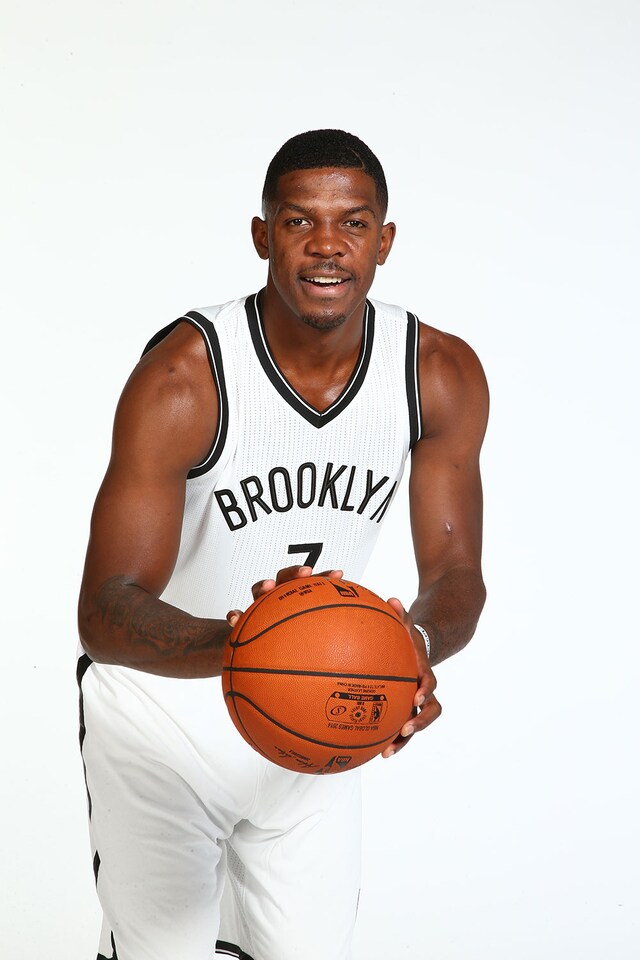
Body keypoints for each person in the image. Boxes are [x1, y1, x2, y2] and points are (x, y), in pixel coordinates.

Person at [77, 128, 488, 960]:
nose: (328, 246)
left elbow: (458, 574)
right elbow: (105, 610)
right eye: (300, 223)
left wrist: (406, 650)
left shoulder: (435, 372)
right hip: (162, 721)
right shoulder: (186, 378)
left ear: (385, 240)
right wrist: (255, 645)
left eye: (354, 223)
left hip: (318, 716)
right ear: (263, 236)